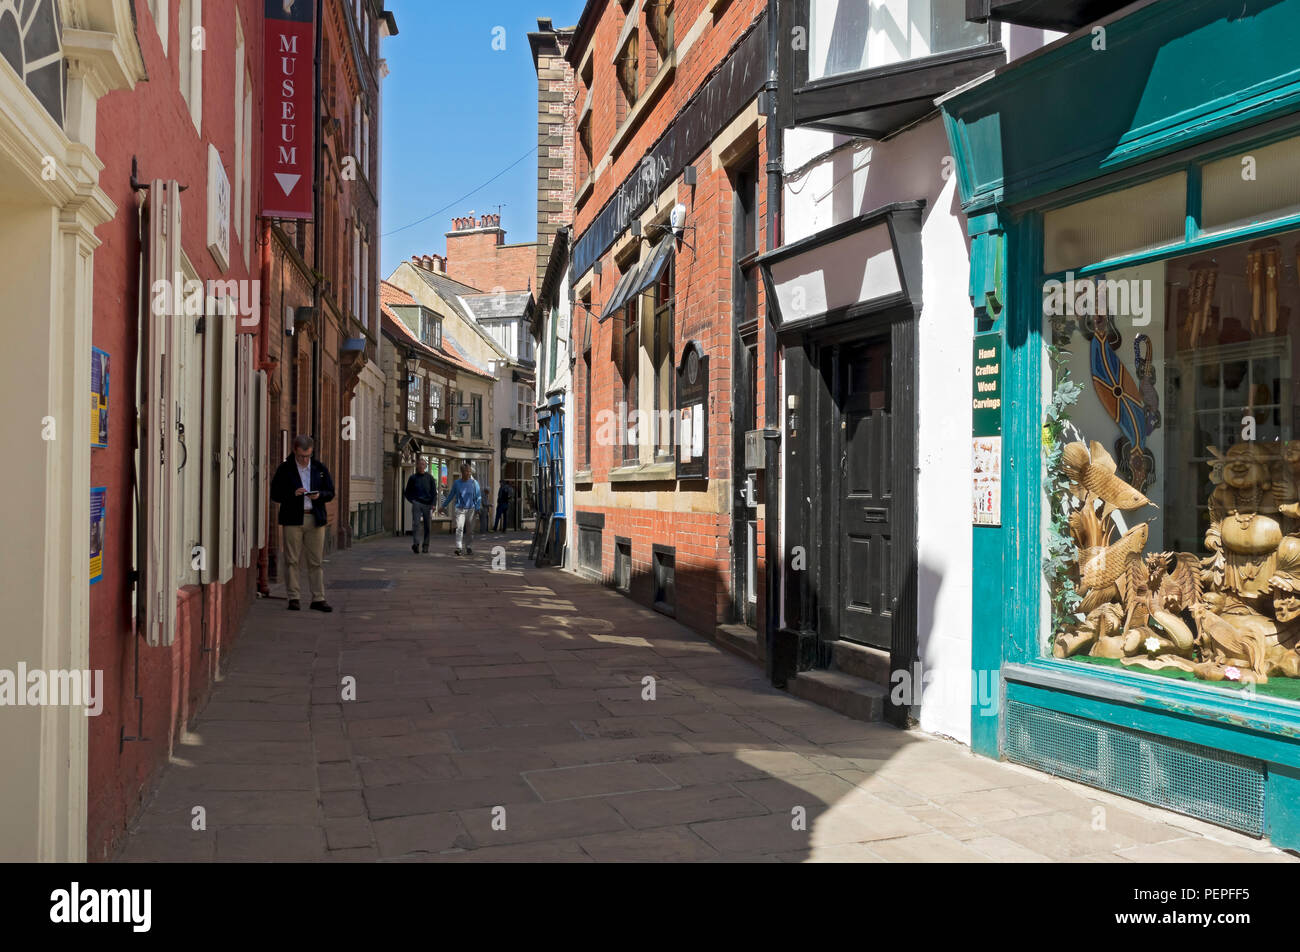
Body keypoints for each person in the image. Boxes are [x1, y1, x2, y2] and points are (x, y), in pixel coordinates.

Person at [270, 434, 335, 612]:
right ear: (294, 451)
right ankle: (294, 597)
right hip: (292, 518)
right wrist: (293, 493)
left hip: (315, 518)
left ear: (311, 452)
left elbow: (330, 492)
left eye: (307, 456)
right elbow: (274, 494)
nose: (304, 460)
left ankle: (318, 598)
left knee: (316, 561)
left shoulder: (319, 468)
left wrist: (319, 495)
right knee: (292, 560)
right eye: (301, 456)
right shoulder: (285, 469)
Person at [439, 463, 482, 556]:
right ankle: (459, 547)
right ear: (462, 472)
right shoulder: (457, 483)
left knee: (470, 530)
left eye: (470, 471)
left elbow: (478, 497)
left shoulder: (474, 483)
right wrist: (443, 506)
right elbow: (451, 495)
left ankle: (469, 547)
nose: (469, 473)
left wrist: (478, 508)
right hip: (460, 509)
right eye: (467, 471)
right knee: (459, 528)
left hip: (471, 509)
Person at [404, 457, 437, 554]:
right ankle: (416, 544)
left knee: (427, 526)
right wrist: (412, 501)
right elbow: (407, 492)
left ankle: (426, 545)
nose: (421, 466)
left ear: (425, 466)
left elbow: (434, 493)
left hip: (427, 504)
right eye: (419, 464)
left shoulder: (430, 478)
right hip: (417, 503)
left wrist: (433, 504)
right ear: (417, 466)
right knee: (416, 524)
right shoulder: (413, 478)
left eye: (423, 464)